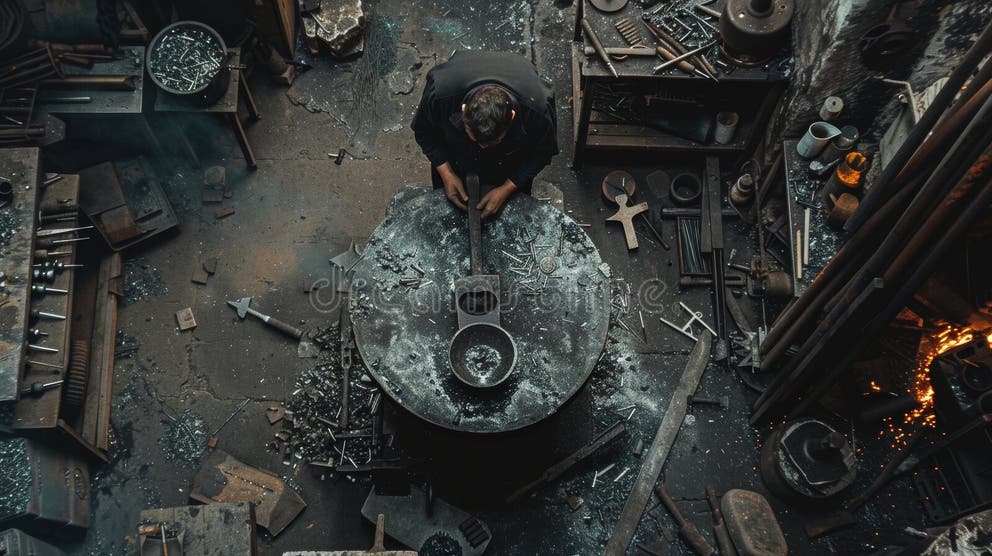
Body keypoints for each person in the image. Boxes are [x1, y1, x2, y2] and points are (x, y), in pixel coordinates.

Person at [411, 51, 558, 219]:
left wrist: (507, 188)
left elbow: (542, 152)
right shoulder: (440, 95)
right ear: (464, 110)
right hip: (456, 155)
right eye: (476, 139)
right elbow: (424, 132)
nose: (483, 147)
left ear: (511, 115)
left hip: (510, 161)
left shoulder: (537, 109)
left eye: (492, 142)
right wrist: (447, 174)